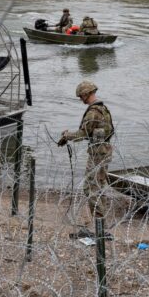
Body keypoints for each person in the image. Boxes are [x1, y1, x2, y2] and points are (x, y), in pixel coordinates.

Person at [57, 80, 115, 239]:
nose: (80, 99)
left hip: (97, 154)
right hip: (105, 151)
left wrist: (67, 136)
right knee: (99, 187)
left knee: (91, 189)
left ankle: (99, 228)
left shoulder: (93, 112)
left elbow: (82, 134)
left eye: (81, 96)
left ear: (86, 94)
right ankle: (101, 226)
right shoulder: (103, 108)